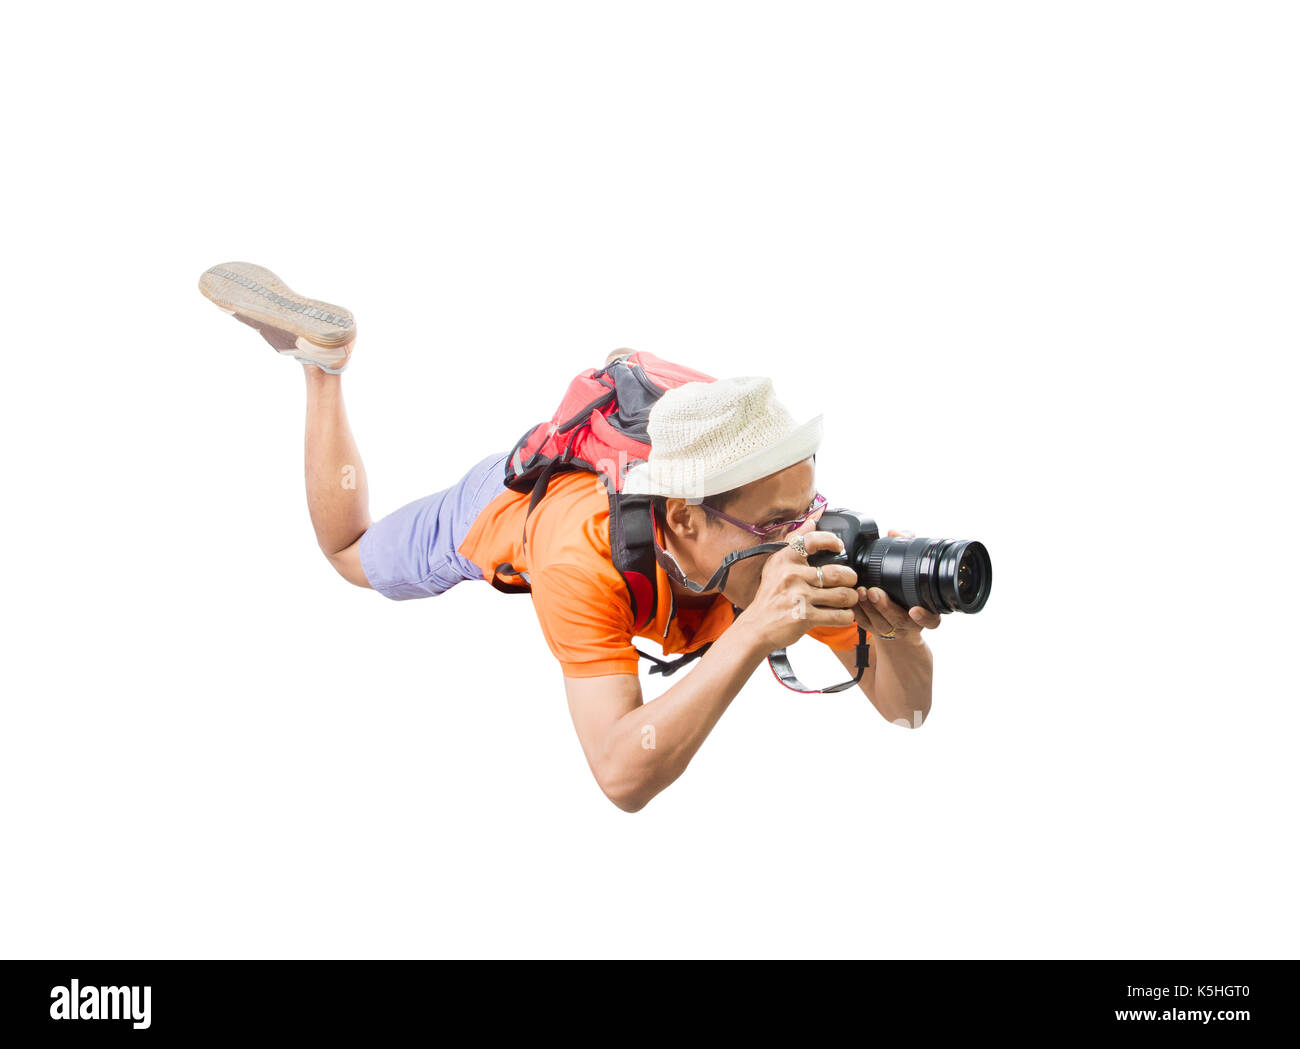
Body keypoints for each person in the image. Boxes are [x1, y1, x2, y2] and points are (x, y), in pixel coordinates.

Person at [199, 262, 940, 812]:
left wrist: (895, 633)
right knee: (350, 558)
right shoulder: (578, 554)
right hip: (513, 503)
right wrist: (753, 636)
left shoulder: (781, 522)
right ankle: (324, 365)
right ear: (684, 519)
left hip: (671, 483)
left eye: (805, 509)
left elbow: (907, 711)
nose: (799, 540)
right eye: (779, 526)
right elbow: (621, 773)